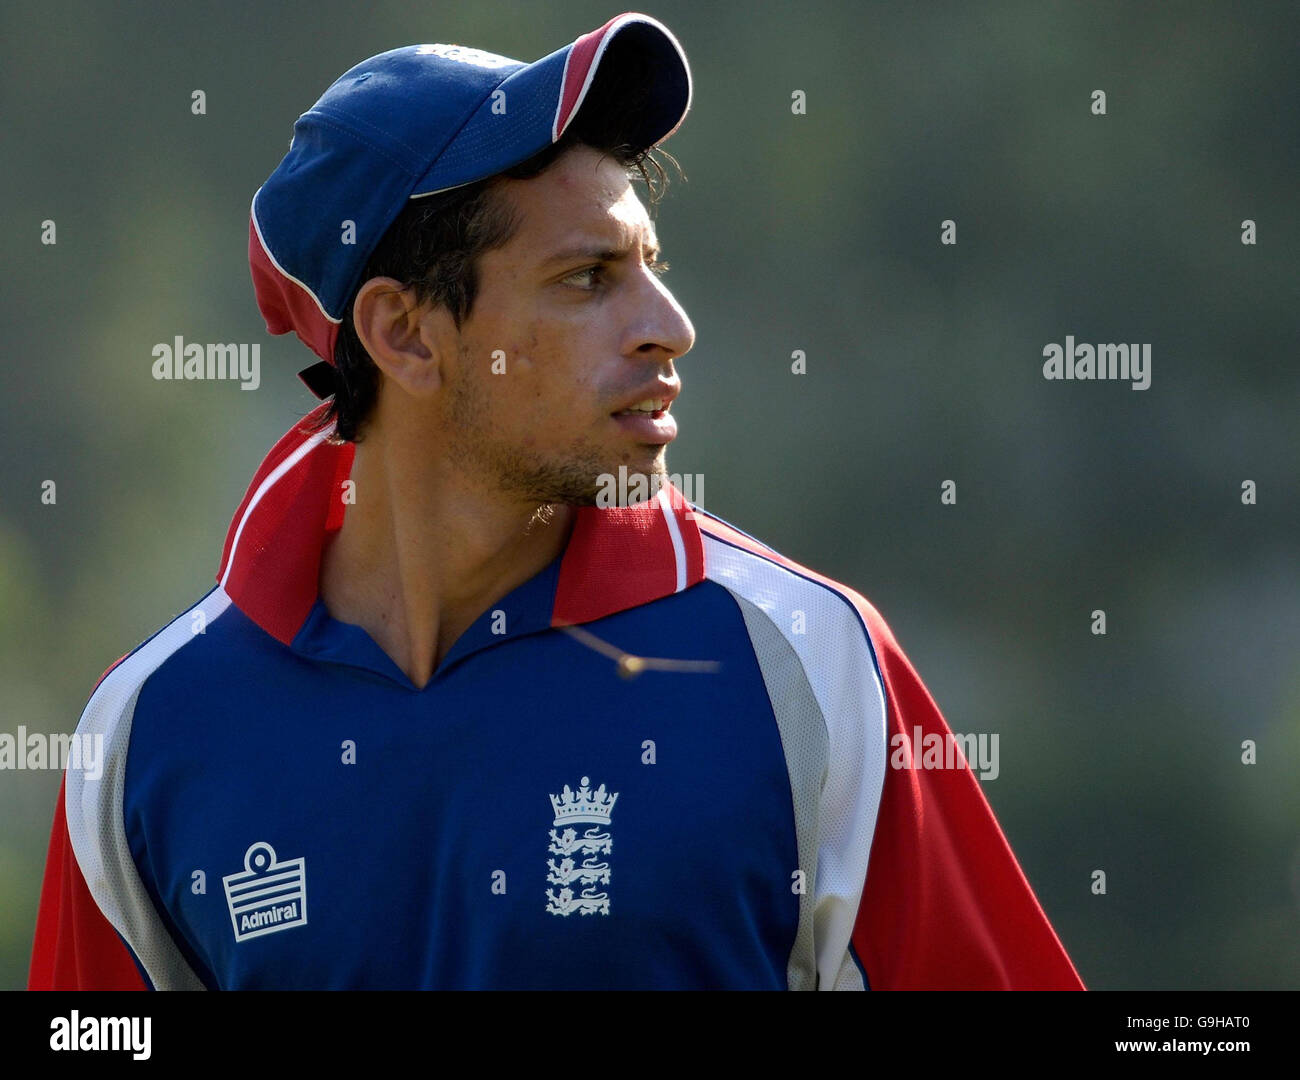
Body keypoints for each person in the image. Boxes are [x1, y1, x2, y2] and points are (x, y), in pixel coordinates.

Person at [28, 12, 1084, 991]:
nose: (670, 326)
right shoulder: (146, 734)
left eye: (652, 265)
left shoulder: (804, 661)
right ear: (404, 334)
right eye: (588, 278)